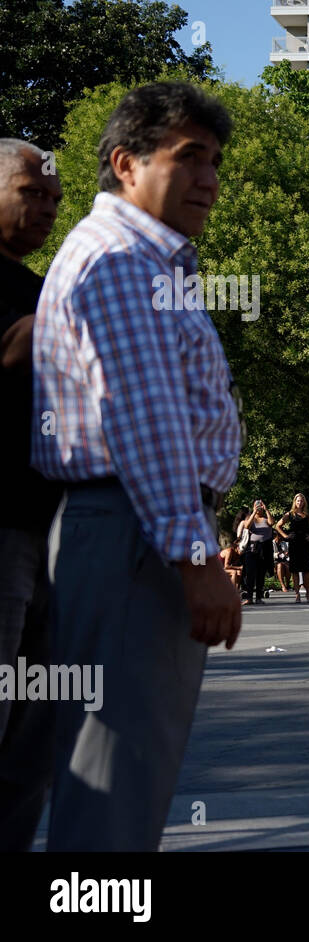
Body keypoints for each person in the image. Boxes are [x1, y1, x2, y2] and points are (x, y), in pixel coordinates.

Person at [30, 83, 242, 850]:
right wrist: (194, 555)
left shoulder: (136, 259)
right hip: (135, 533)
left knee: (106, 776)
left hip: (126, 528)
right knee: (117, 786)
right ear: (126, 163)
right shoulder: (122, 261)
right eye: (189, 158)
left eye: (215, 160)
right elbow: (143, 414)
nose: (210, 179)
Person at [0, 137, 63, 851]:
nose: (46, 206)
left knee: (36, 730)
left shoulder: (43, 285)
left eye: (52, 195)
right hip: (3, 534)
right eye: (30, 192)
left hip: (51, 531)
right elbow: (15, 349)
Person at [276, 494, 309, 602]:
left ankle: (308, 594)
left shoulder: (308, 514)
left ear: (304, 502)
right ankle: (297, 595)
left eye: (301, 501)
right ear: (295, 502)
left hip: (304, 544)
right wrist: (285, 536)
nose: (300, 502)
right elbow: (277, 525)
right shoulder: (290, 514)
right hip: (294, 543)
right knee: (295, 571)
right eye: (298, 501)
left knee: (306, 571)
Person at [240, 501, 275, 604]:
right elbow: (246, 526)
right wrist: (254, 512)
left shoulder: (266, 519)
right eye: (257, 505)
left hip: (265, 548)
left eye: (260, 506)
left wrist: (266, 509)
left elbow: (272, 523)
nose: (259, 507)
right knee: (250, 573)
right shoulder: (251, 518)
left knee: (261, 573)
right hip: (252, 548)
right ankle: (249, 597)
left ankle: (259, 597)